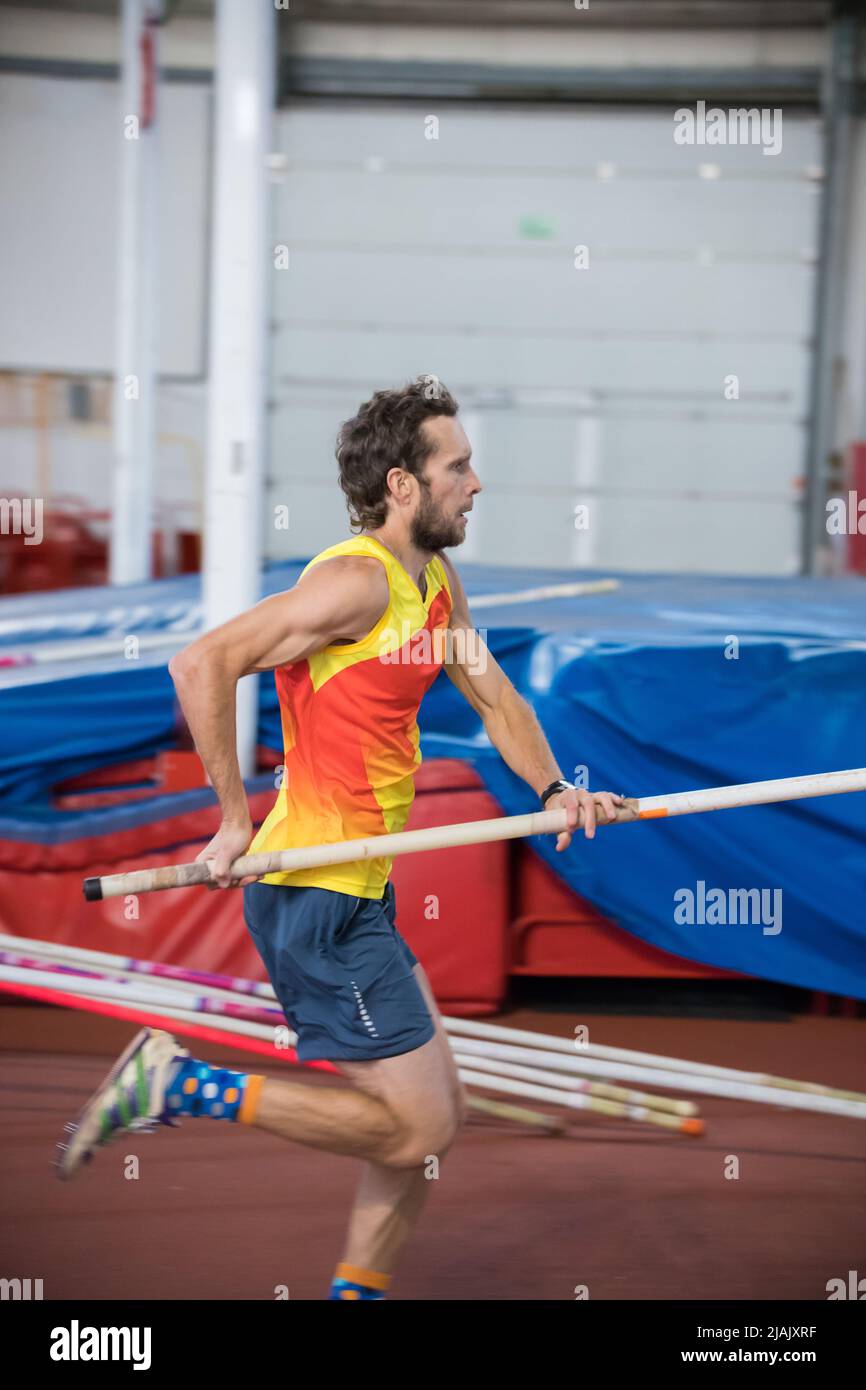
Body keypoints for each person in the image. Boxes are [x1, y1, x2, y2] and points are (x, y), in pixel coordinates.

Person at [56, 377, 622, 1300]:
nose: (477, 484)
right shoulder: (354, 583)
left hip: (359, 886)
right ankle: (181, 1084)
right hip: (316, 893)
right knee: (418, 1130)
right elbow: (202, 661)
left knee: (428, 1127)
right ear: (403, 484)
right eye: (459, 466)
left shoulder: (434, 584)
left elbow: (492, 693)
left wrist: (556, 787)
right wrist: (235, 819)